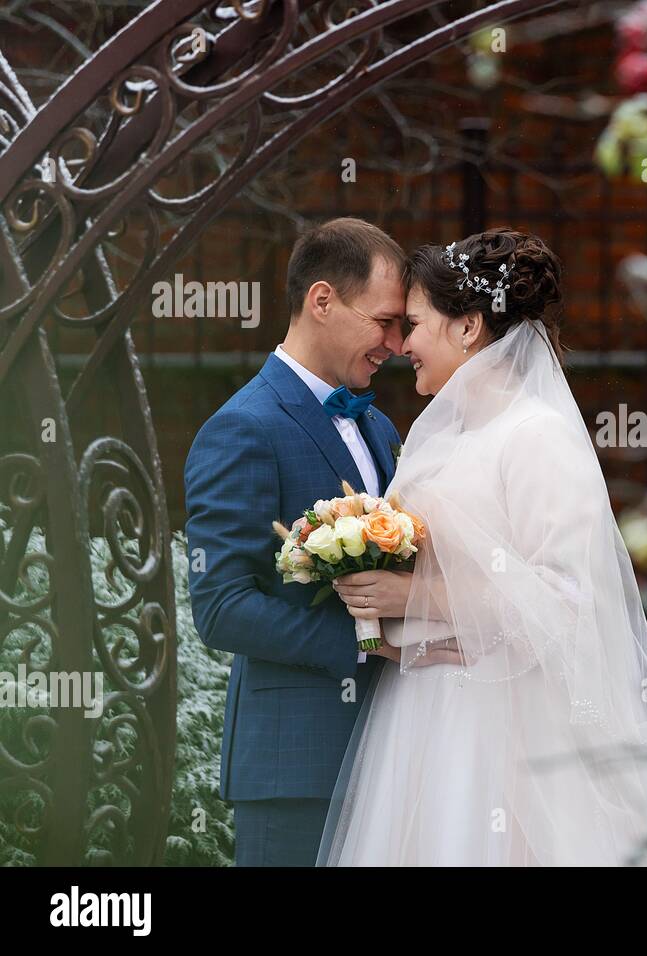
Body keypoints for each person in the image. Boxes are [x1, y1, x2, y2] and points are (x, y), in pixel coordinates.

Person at [318, 228, 647, 865]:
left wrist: (417, 595)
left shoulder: (536, 437)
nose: (403, 346)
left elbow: (567, 602)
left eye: (417, 324)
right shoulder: (440, 436)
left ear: (468, 327)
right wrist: (382, 618)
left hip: (506, 727)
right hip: (421, 714)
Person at [184, 217, 407, 866]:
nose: (394, 343)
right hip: (294, 769)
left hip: (387, 754)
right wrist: (366, 645)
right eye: (384, 321)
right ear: (322, 300)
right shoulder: (242, 428)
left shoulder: (380, 428)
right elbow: (221, 605)